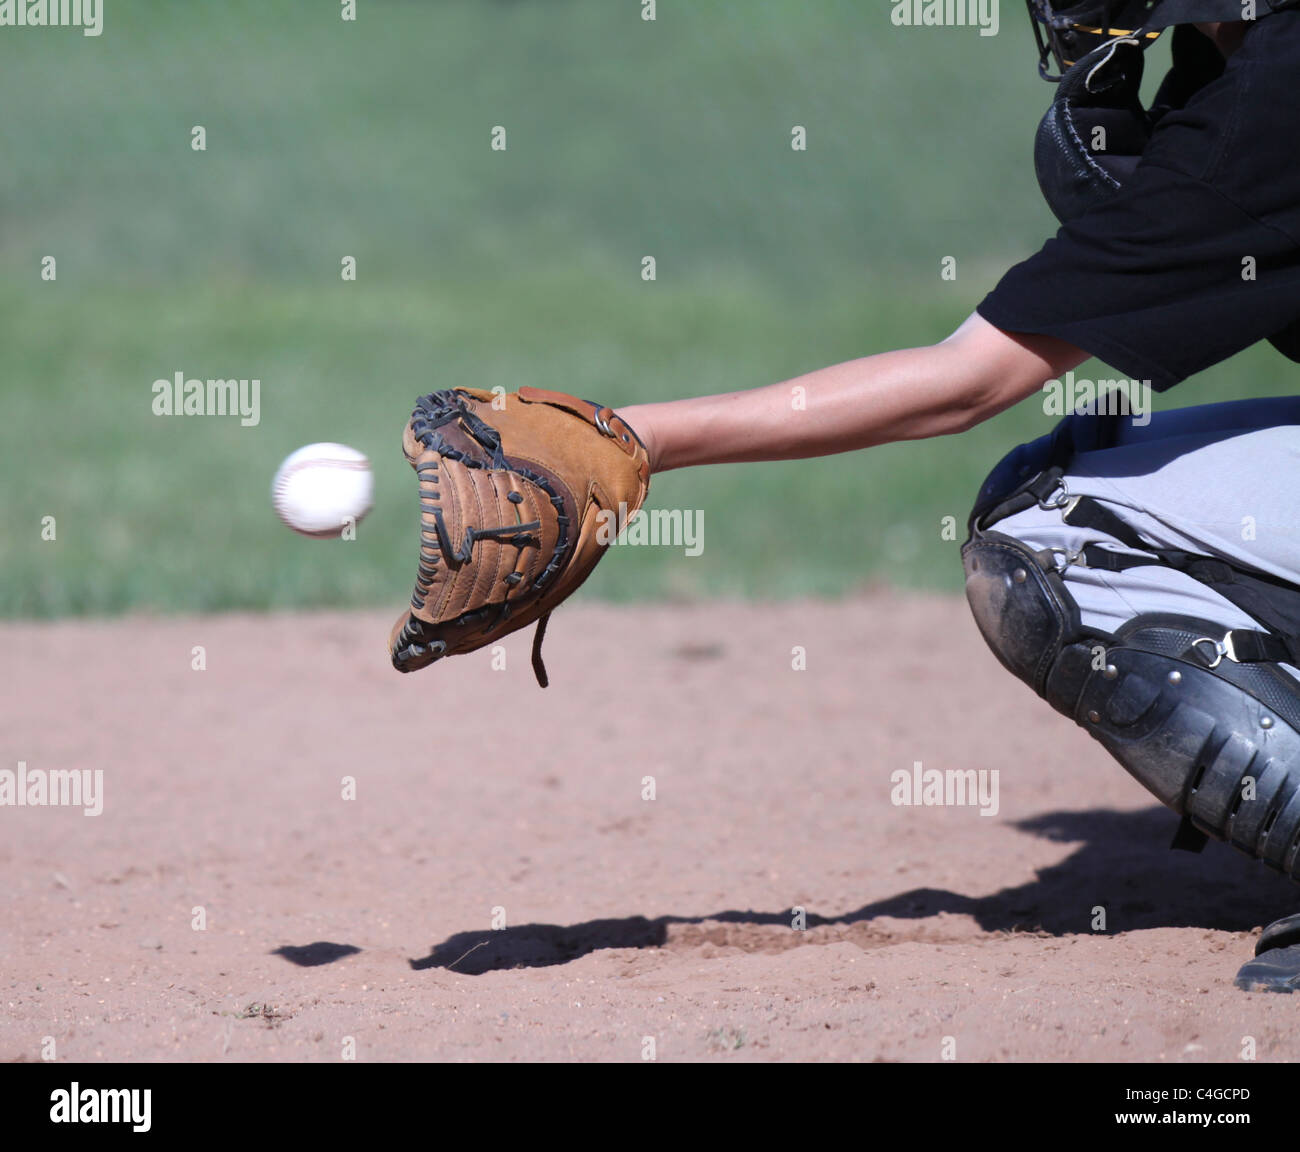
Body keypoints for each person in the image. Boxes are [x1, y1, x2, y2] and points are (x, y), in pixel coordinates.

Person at [390, 2, 1300, 990]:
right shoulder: (1233, 76)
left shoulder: (1268, 99)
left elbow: (968, 381)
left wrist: (636, 440)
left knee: (1053, 529)